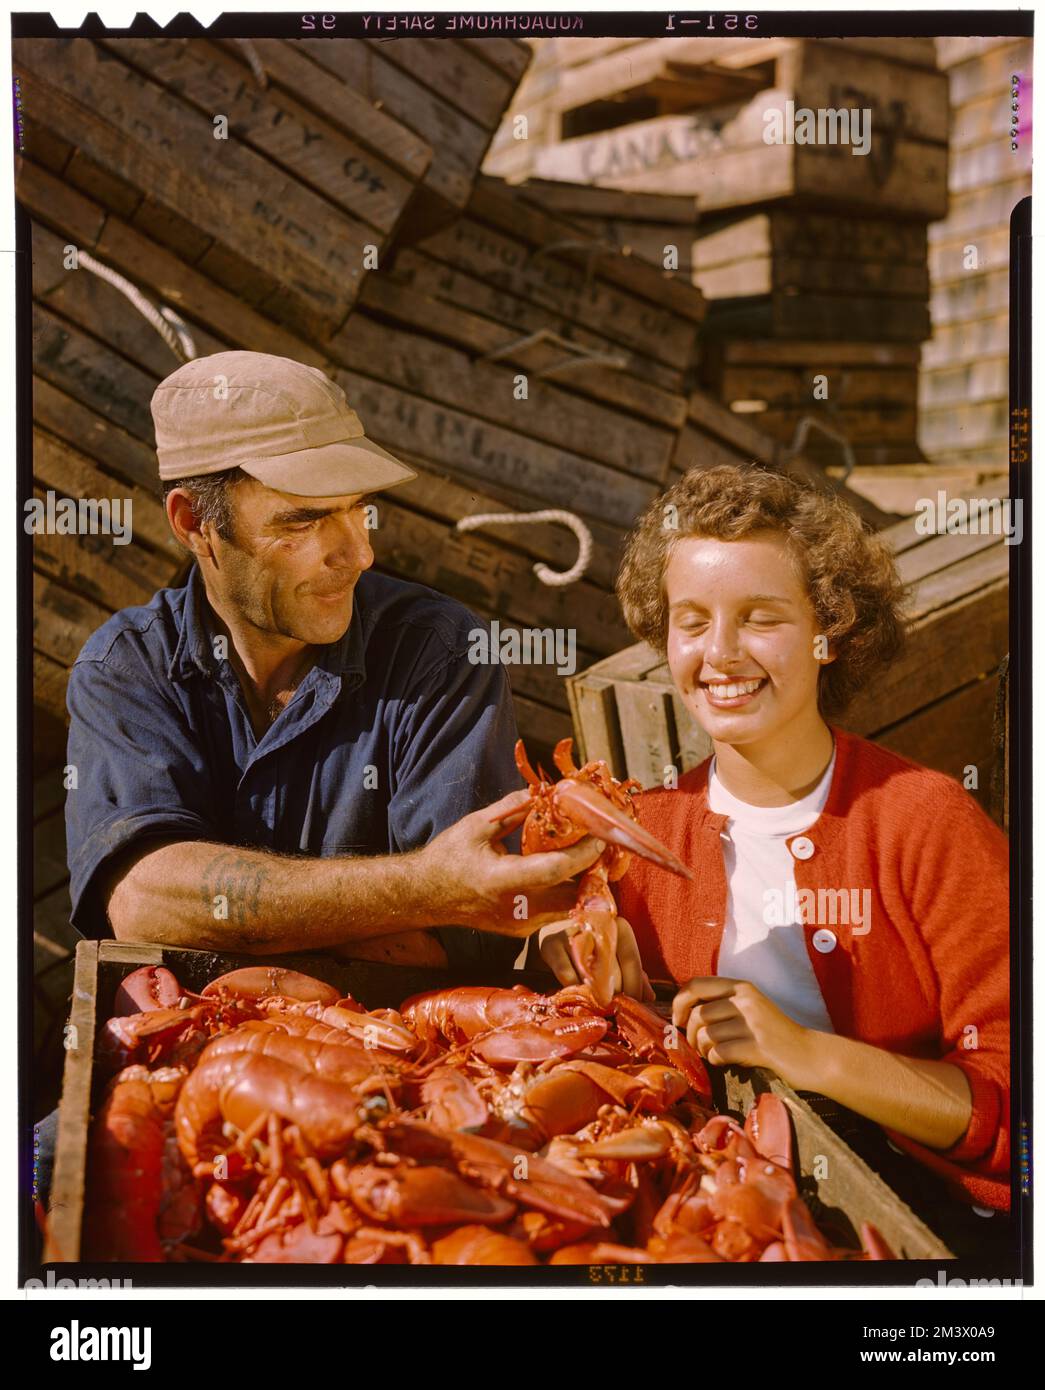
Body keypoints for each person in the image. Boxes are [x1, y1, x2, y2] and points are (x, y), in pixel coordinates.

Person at [539, 463, 1011, 1232]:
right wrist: (615, 997)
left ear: (829, 632)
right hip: (717, 1210)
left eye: (759, 617)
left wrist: (806, 1053)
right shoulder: (643, 833)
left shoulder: (927, 823)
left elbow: (1013, 1103)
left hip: (918, 1225)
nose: (719, 653)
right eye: (690, 621)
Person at [63, 350, 606, 968]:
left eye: (357, 508)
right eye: (305, 519)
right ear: (195, 525)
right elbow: (142, 903)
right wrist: (421, 889)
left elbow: (463, 935)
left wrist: (220, 910)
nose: (357, 554)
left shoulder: (439, 653)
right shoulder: (125, 667)